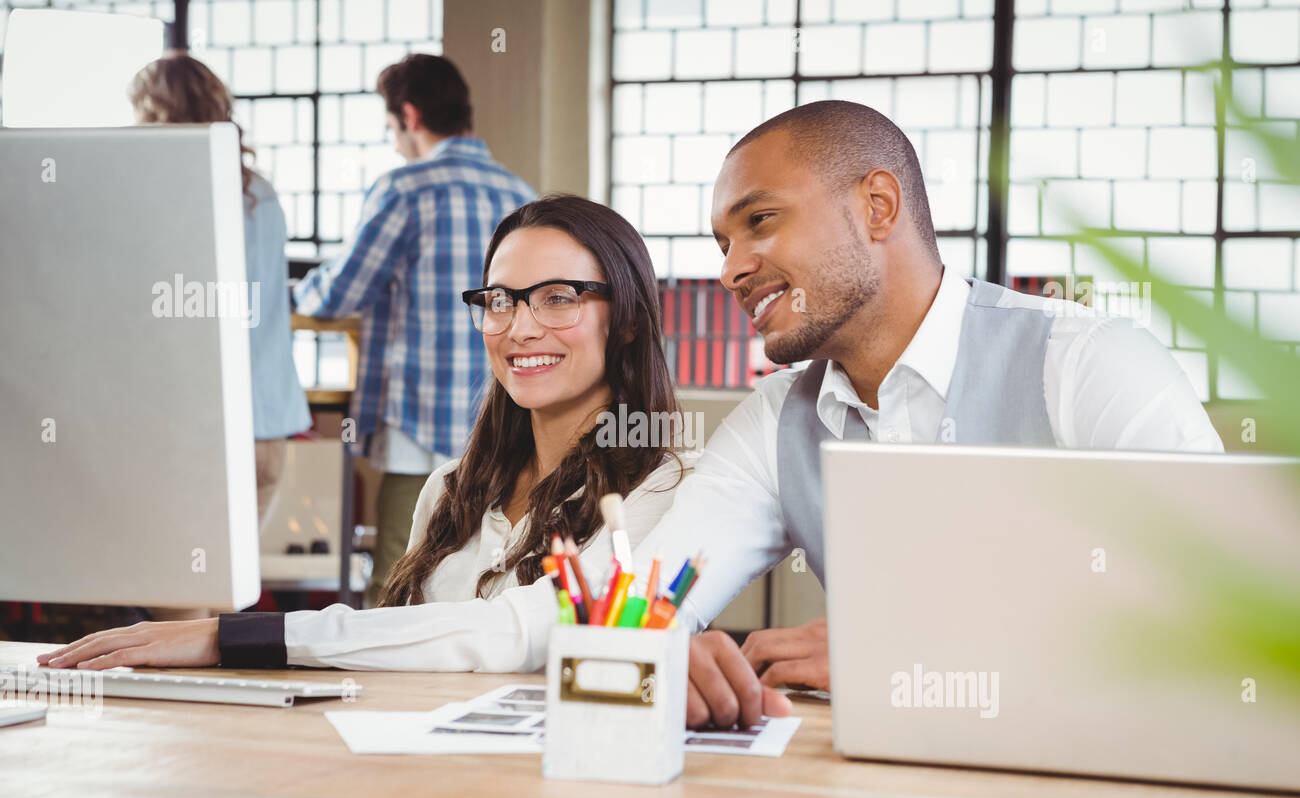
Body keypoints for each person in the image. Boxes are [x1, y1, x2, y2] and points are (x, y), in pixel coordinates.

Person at [632, 100, 1224, 728]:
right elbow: (640, 605)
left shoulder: (1088, 361)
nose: (730, 271)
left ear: (877, 207)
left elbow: (1224, 612)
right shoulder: (772, 422)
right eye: (724, 244)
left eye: (760, 220)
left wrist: (908, 656)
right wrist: (661, 653)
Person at [39, 196, 693, 671]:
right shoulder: (450, 489)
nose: (519, 328)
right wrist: (190, 626)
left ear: (629, 318)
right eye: (500, 299)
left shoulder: (664, 490)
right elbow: (396, 638)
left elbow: (513, 632)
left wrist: (236, 638)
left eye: (558, 297)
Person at [293, 54, 536, 607]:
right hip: (506, 419)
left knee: (398, 580)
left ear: (408, 114)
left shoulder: (406, 188)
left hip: (416, 424)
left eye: (390, 128)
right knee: (489, 579)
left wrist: (292, 295)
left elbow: (340, 294)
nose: (394, 141)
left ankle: (382, 692)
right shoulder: (522, 194)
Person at [129, 53, 312, 528]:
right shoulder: (262, 194)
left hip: (197, 421)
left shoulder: (162, 199)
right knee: (225, 578)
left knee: (184, 582)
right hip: (270, 420)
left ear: (156, 117)